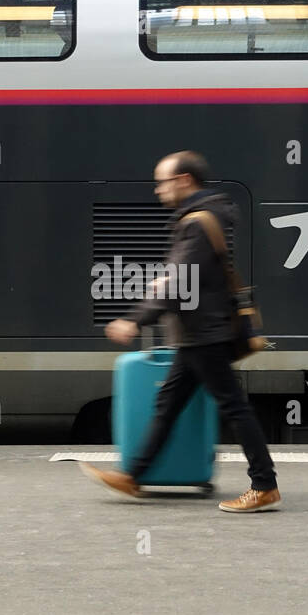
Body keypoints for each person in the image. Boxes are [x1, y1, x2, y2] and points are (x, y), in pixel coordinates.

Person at [79, 151, 281, 512]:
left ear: (184, 180)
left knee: (234, 408)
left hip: (205, 333)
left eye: (163, 181)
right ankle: (133, 475)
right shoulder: (203, 218)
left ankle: (264, 485)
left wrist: (134, 320)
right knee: (167, 406)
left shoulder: (197, 223)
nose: (158, 190)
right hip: (196, 334)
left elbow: (179, 284)